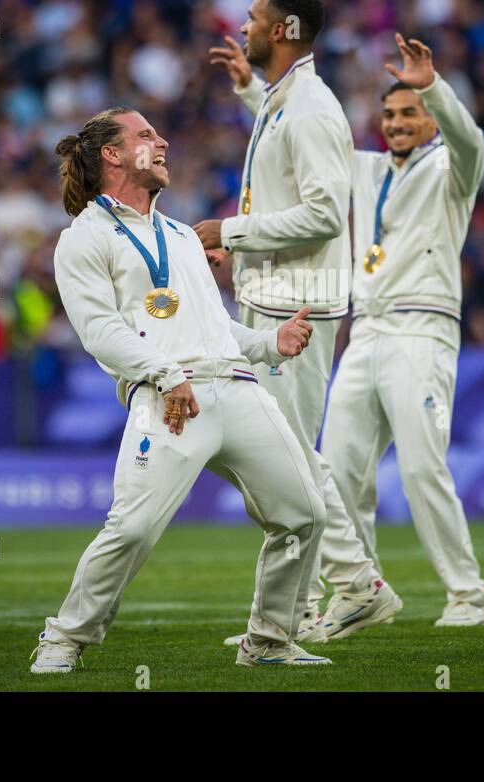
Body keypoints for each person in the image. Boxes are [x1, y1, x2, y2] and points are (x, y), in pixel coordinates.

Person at [28, 107, 331, 672]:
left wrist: (269, 342)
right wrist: (167, 375)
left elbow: (211, 324)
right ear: (112, 155)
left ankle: (268, 641)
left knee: (305, 513)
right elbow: (100, 333)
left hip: (236, 387)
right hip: (167, 399)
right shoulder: (83, 239)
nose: (162, 141)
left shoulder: (179, 235)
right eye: (146, 135)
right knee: (134, 526)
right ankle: (65, 636)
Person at [203, 0, 402, 642]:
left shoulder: (312, 107)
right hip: (275, 298)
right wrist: (244, 91)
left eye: (254, 18)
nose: (245, 25)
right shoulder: (288, 101)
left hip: (299, 305)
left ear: (283, 28)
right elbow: (285, 150)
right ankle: (294, 614)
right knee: (280, 456)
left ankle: (356, 584)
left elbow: (323, 212)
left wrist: (229, 233)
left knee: (285, 454)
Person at [320, 34, 484, 628]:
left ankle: (470, 597)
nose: (396, 123)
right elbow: (310, 145)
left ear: (429, 119)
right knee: (338, 469)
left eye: (409, 113)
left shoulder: (453, 168)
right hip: (364, 333)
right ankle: (361, 594)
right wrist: (249, 88)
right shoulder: (366, 169)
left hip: (423, 330)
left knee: (422, 467)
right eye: (390, 113)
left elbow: (472, 139)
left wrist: (433, 87)